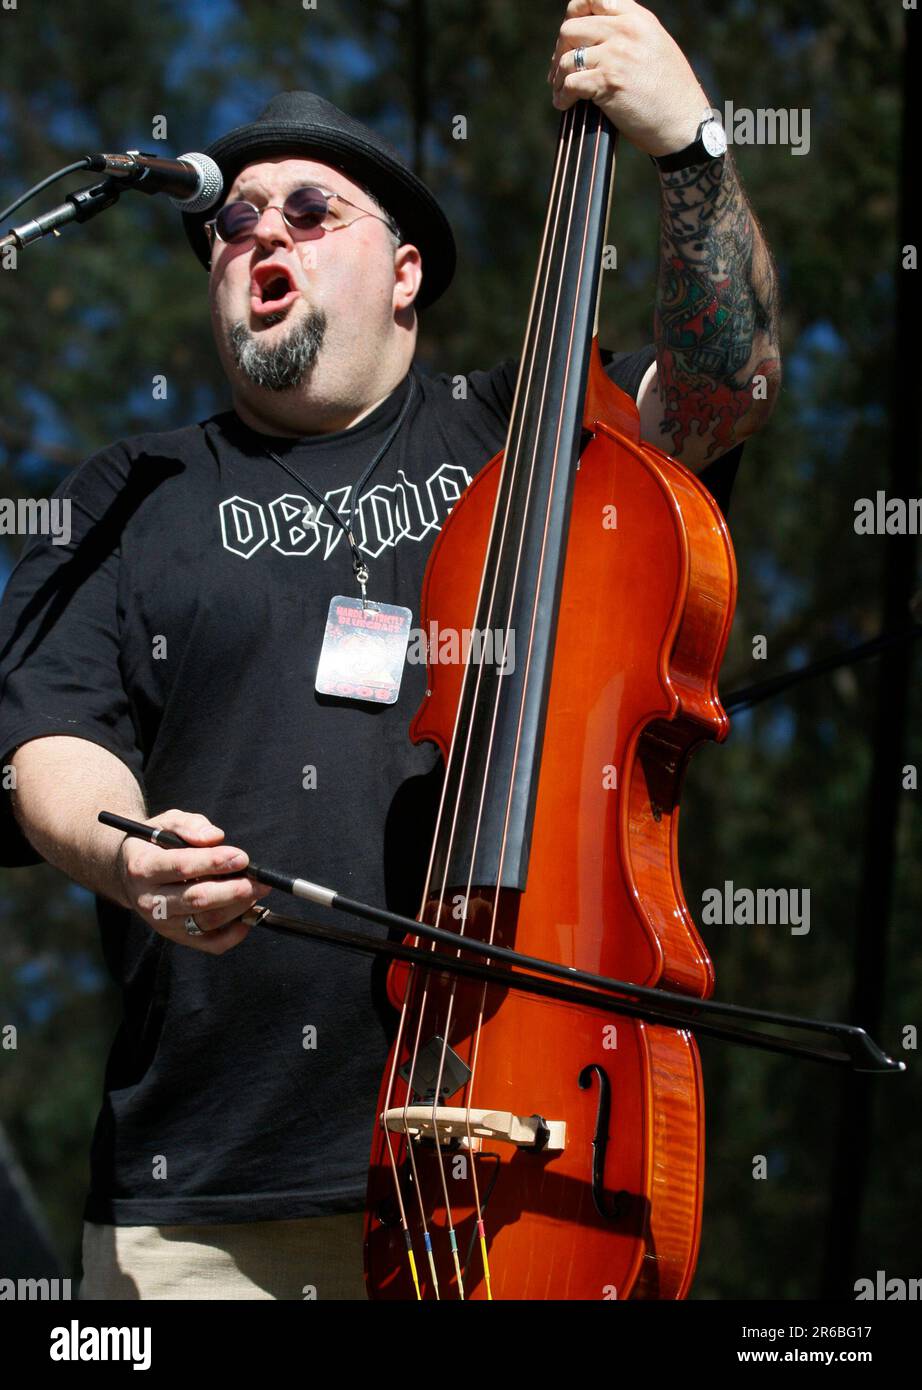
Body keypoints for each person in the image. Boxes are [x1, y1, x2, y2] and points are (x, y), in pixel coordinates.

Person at [0, 2, 780, 1301]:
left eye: (308, 212)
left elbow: (722, 389)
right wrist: (134, 857)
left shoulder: (524, 439)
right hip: (196, 1217)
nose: (257, 234)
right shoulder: (129, 489)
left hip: (510, 1157)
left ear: (405, 269)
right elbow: (49, 743)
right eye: (233, 220)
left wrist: (689, 153)